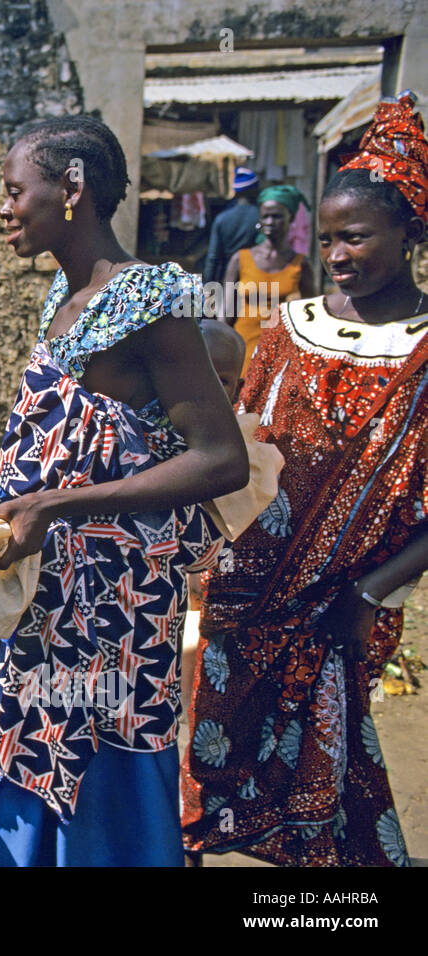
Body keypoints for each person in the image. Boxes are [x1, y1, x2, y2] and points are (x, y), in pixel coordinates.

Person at [0, 114, 248, 866]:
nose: (5, 208)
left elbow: (220, 459)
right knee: (36, 747)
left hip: (119, 609)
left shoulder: (149, 301)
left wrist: (59, 504)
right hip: (50, 598)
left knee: (111, 769)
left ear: (71, 188)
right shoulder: (60, 300)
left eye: (14, 191)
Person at [182, 91, 428, 867]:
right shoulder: (290, 329)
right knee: (204, 756)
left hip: (344, 604)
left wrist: (370, 592)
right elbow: (244, 447)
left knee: (324, 763)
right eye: (325, 240)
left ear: (413, 233)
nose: (338, 256)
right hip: (242, 590)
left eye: (355, 237)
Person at [181, 320, 247, 713]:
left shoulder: (245, 443)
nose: (206, 388)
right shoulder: (155, 433)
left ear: (238, 389)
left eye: (220, 380)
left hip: (217, 580)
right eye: (197, 375)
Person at [221, 184, 316, 375]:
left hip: (281, 356)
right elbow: (225, 315)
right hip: (242, 354)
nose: (270, 221)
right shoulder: (240, 259)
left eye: (277, 216)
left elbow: (311, 317)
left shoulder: (300, 264)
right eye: (265, 216)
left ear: (291, 218)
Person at [203, 167, 261, 291]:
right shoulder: (261, 217)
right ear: (255, 190)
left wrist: (207, 288)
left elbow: (213, 258)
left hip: (228, 280)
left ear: (236, 192)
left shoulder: (222, 219)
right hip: (255, 279)